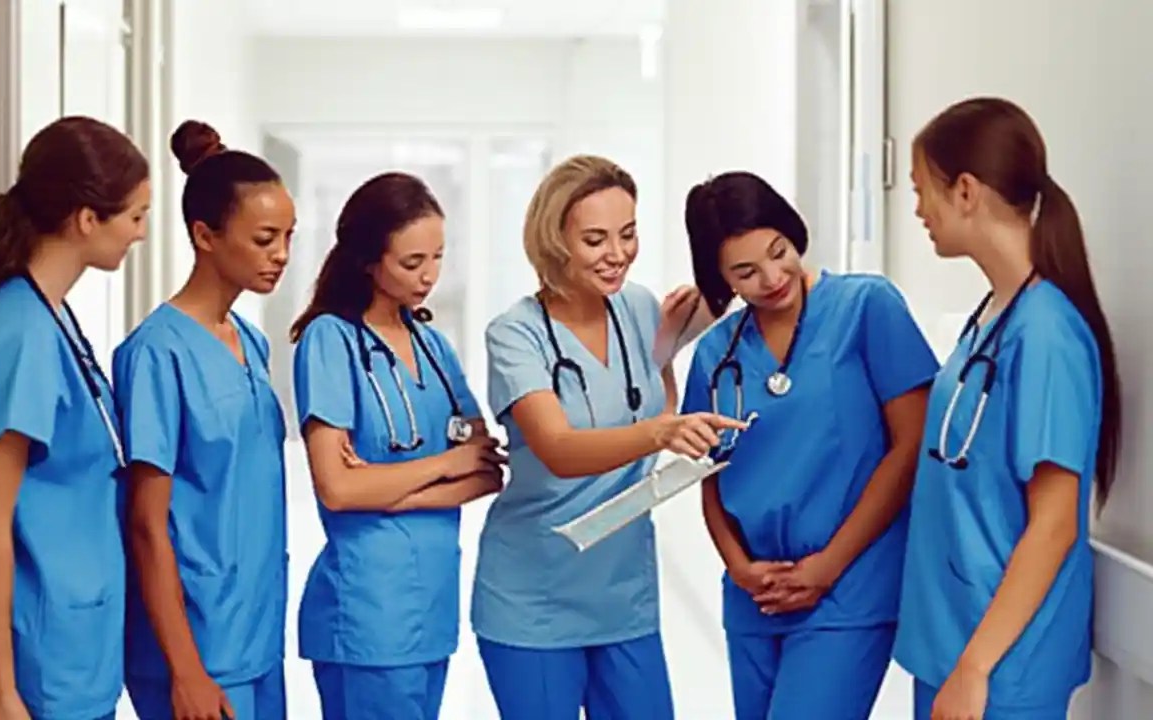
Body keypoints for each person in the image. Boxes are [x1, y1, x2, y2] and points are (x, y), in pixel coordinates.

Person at [472, 155, 746, 720]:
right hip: (535, 597)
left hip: (623, 597)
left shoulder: (641, 309)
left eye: (627, 233)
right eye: (595, 239)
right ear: (555, 242)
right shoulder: (515, 335)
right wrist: (662, 431)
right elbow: (560, 448)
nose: (617, 253)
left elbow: (719, 305)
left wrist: (666, 363)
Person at [678, 171, 937, 720]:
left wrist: (827, 566)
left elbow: (910, 446)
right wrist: (740, 568)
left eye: (779, 251)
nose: (773, 277)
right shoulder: (714, 355)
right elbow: (708, 477)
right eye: (745, 271)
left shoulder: (866, 307)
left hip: (848, 589)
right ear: (719, 278)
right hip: (756, 597)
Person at [894, 97, 1121, 720]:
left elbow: (1054, 525)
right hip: (953, 641)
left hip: (1000, 665)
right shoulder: (993, 318)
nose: (918, 210)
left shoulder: (1047, 333)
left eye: (923, 191)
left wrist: (975, 668)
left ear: (965, 190)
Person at [0, 116, 150, 720]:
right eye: (135, 216)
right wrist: (5, 695)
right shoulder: (23, 334)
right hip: (39, 664)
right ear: (88, 219)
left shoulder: (50, 317)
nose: (140, 233)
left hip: (71, 648)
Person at [290, 171, 506, 720]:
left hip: (430, 609)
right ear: (368, 260)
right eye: (412, 263)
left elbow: (487, 472)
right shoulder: (330, 341)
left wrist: (383, 489)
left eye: (437, 256)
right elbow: (336, 489)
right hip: (366, 612)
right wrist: (445, 465)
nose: (430, 275)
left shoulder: (433, 346)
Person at [112, 121, 295, 720]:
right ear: (205, 236)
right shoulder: (155, 353)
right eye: (265, 238)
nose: (282, 256)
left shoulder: (248, 340)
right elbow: (145, 523)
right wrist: (186, 672)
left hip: (257, 638)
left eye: (288, 237)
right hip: (197, 650)